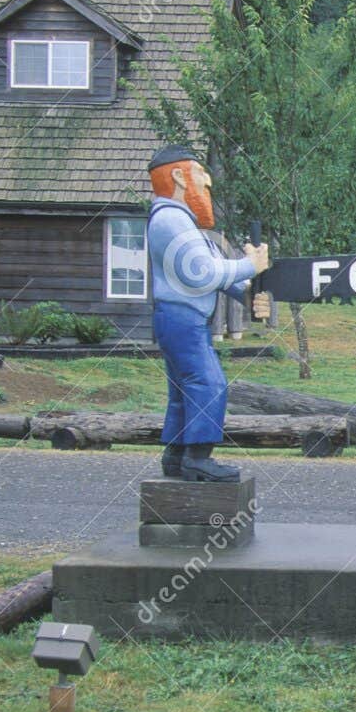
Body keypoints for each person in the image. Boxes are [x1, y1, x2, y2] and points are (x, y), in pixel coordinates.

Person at [146, 145, 270, 482]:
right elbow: (200, 274)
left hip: (180, 317)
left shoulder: (182, 222)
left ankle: (175, 457)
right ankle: (198, 459)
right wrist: (249, 265)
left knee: (183, 391)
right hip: (182, 318)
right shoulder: (171, 219)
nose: (206, 183)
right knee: (209, 384)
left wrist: (250, 291)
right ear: (177, 176)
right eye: (200, 174)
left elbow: (215, 274)